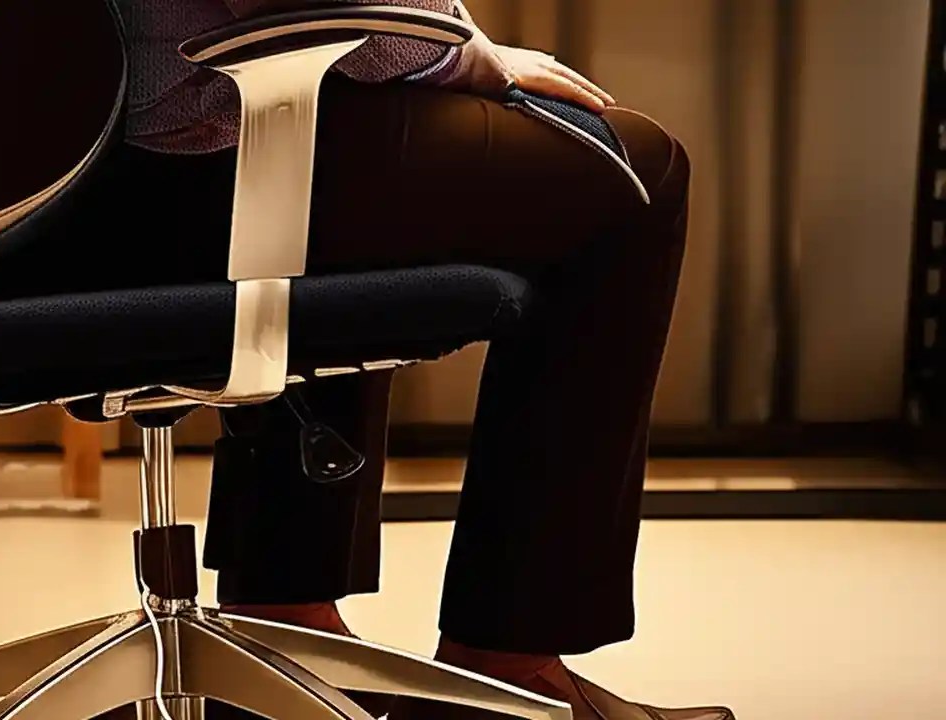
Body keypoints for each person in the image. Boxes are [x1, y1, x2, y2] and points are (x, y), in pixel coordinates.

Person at [113, 1, 732, 718]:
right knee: (640, 175)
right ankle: (509, 670)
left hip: (109, 159)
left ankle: (284, 636)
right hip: (191, 155)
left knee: (324, 104)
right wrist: (466, 53)